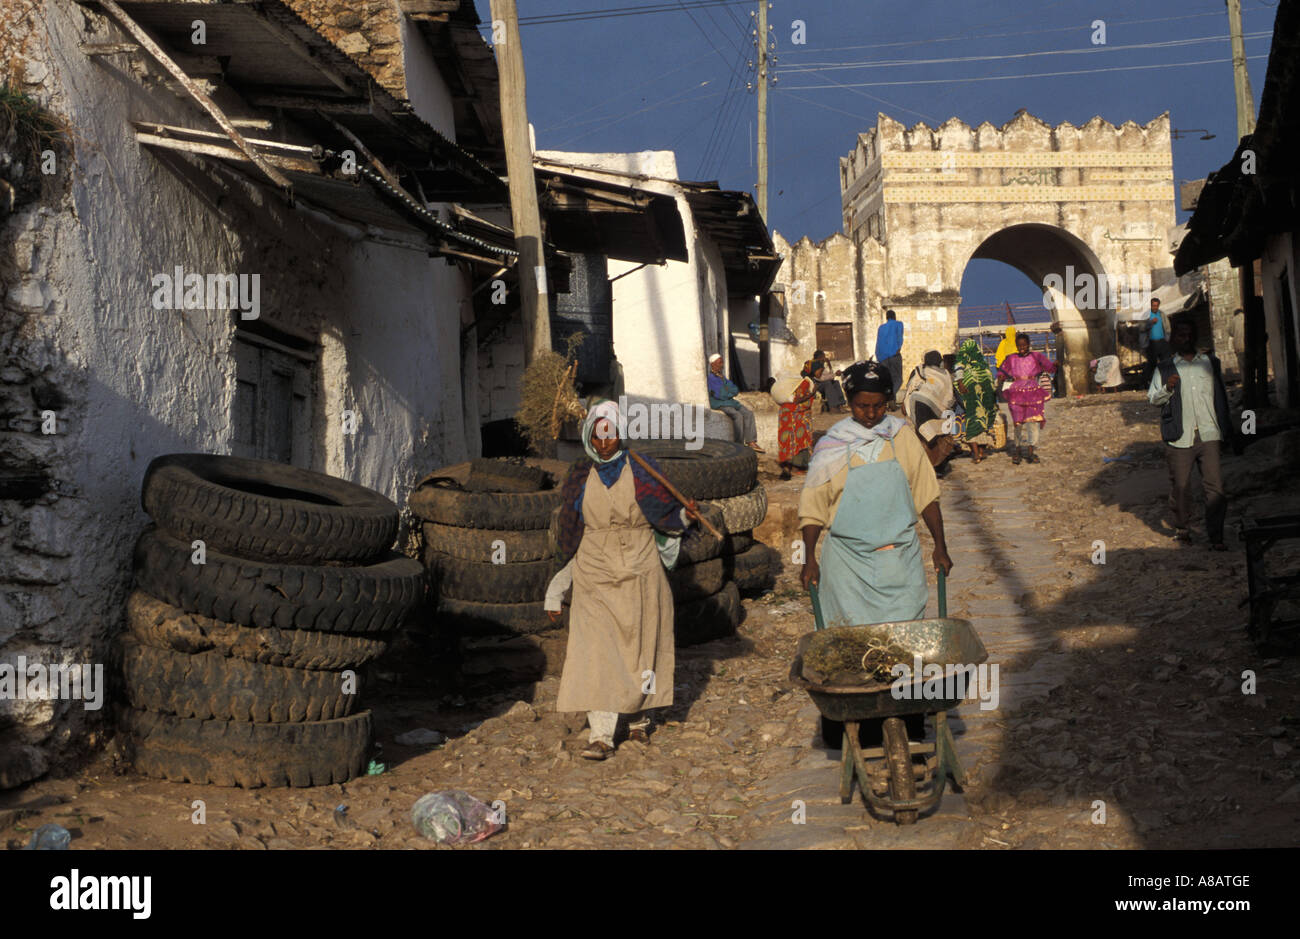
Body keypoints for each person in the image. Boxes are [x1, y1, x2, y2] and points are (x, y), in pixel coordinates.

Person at [544, 401, 698, 760]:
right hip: (594, 568)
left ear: (620, 433)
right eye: (597, 435)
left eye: (610, 434)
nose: (604, 443)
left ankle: (640, 719)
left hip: (640, 565)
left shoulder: (644, 469)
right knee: (598, 651)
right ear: (589, 436)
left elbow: (665, 515)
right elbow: (570, 533)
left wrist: (686, 516)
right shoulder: (580, 474)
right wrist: (556, 589)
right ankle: (601, 734)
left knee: (641, 645)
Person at [798, 360, 952, 626]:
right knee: (853, 651)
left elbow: (927, 495)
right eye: (862, 406)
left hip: (900, 563)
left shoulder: (902, 437)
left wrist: (940, 546)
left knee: (904, 643)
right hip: (847, 568)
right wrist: (808, 558)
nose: (870, 413)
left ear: (888, 401)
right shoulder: (831, 446)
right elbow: (812, 509)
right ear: (849, 401)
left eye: (878, 405)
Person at [1147, 317, 1236, 551]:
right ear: (1173, 339)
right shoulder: (1165, 368)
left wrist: (1228, 429)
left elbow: (1221, 399)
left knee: (1215, 488)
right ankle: (1182, 528)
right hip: (1180, 436)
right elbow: (1152, 399)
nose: (1185, 339)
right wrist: (1167, 388)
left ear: (1194, 338)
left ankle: (1216, 536)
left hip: (1209, 434)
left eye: (1189, 335)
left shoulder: (1209, 363)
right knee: (1181, 487)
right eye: (1180, 335)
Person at [996, 333, 1056, 465]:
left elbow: (1049, 367)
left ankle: (1030, 450)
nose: (1022, 347)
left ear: (1028, 344)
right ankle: (1017, 450)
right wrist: (1000, 376)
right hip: (1016, 393)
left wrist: (1055, 364)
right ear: (1017, 346)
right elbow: (1002, 371)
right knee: (1018, 423)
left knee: (1033, 422)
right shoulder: (1011, 358)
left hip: (1033, 391)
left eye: (1024, 345)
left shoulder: (1037, 356)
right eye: (1019, 345)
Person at [900, 350, 957, 472]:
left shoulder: (918, 371)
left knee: (921, 435)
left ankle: (923, 464)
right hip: (936, 409)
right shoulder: (945, 374)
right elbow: (950, 395)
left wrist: (905, 403)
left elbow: (910, 387)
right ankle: (937, 464)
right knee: (936, 436)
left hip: (916, 404)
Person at [707, 353, 763, 452]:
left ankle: (751, 441)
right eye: (720, 362)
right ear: (713, 364)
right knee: (737, 416)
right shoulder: (711, 378)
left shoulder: (722, 377)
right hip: (719, 403)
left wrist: (728, 391)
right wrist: (729, 392)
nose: (722, 365)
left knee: (748, 413)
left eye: (722, 362)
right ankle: (739, 443)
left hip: (730, 402)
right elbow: (720, 395)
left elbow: (735, 390)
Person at [954, 339, 997, 463]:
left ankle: (977, 453)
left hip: (973, 402)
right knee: (981, 425)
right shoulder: (983, 365)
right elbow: (991, 384)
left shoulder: (961, 363)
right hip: (981, 402)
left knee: (972, 424)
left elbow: (958, 377)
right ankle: (980, 452)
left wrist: (961, 384)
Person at [776, 371, 817, 480]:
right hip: (796, 414)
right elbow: (798, 401)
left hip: (785, 414)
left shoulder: (795, 386)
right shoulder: (805, 384)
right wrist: (811, 394)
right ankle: (799, 467)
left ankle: (787, 467)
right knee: (801, 441)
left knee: (786, 441)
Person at [874, 310, 905, 407]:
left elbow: (878, 342)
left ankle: (892, 404)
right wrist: (898, 348)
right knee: (898, 379)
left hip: (882, 357)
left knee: (889, 380)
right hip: (894, 355)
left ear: (886, 317)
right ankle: (890, 397)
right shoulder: (898, 324)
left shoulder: (881, 328)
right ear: (894, 316)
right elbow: (900, 338)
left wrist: (878, 357)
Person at [1143, 296, 1170, 381]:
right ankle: (1148, 381)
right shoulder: (1146, 315)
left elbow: (1167, 327)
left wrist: (1167, 339)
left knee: (1165, 362)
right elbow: (1141, 328)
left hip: (1162, 342)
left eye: (1156, 305)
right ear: (1150, 306)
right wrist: (1150, 323)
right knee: (1152, 363)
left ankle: (1165, 380)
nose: (1155, 307)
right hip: (1151, 343)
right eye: (1153, 305)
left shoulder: (1162, 314)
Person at [1229, 308, 1247, 383]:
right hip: (1249, 346)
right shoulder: (1246, 317)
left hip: (1239, 347)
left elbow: (1231, 332)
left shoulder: (1233, 320)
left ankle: (1245, 384)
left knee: (1242, 367)